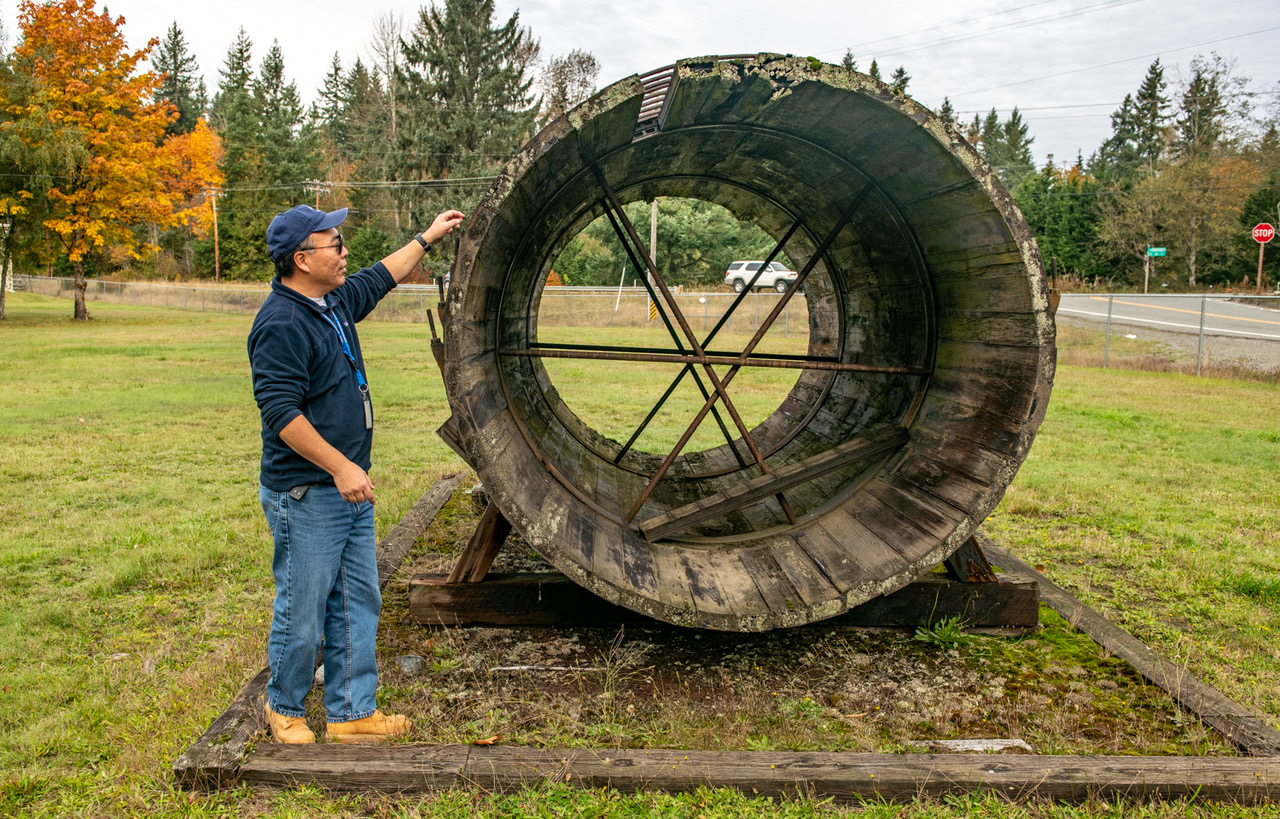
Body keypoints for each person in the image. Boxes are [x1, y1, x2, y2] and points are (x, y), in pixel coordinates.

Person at [248, 204, 465, 743]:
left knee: (356, 600)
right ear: (302, 258)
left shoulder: (332, 300)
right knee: (304, 604)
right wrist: (341, 467)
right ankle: (285, 707)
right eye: (335, 244)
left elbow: (381, 276)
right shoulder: (281, 323)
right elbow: (281, 414)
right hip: (308, 491)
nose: (346, 252)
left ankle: (351, 714)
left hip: (347, 487)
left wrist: (427, 237)